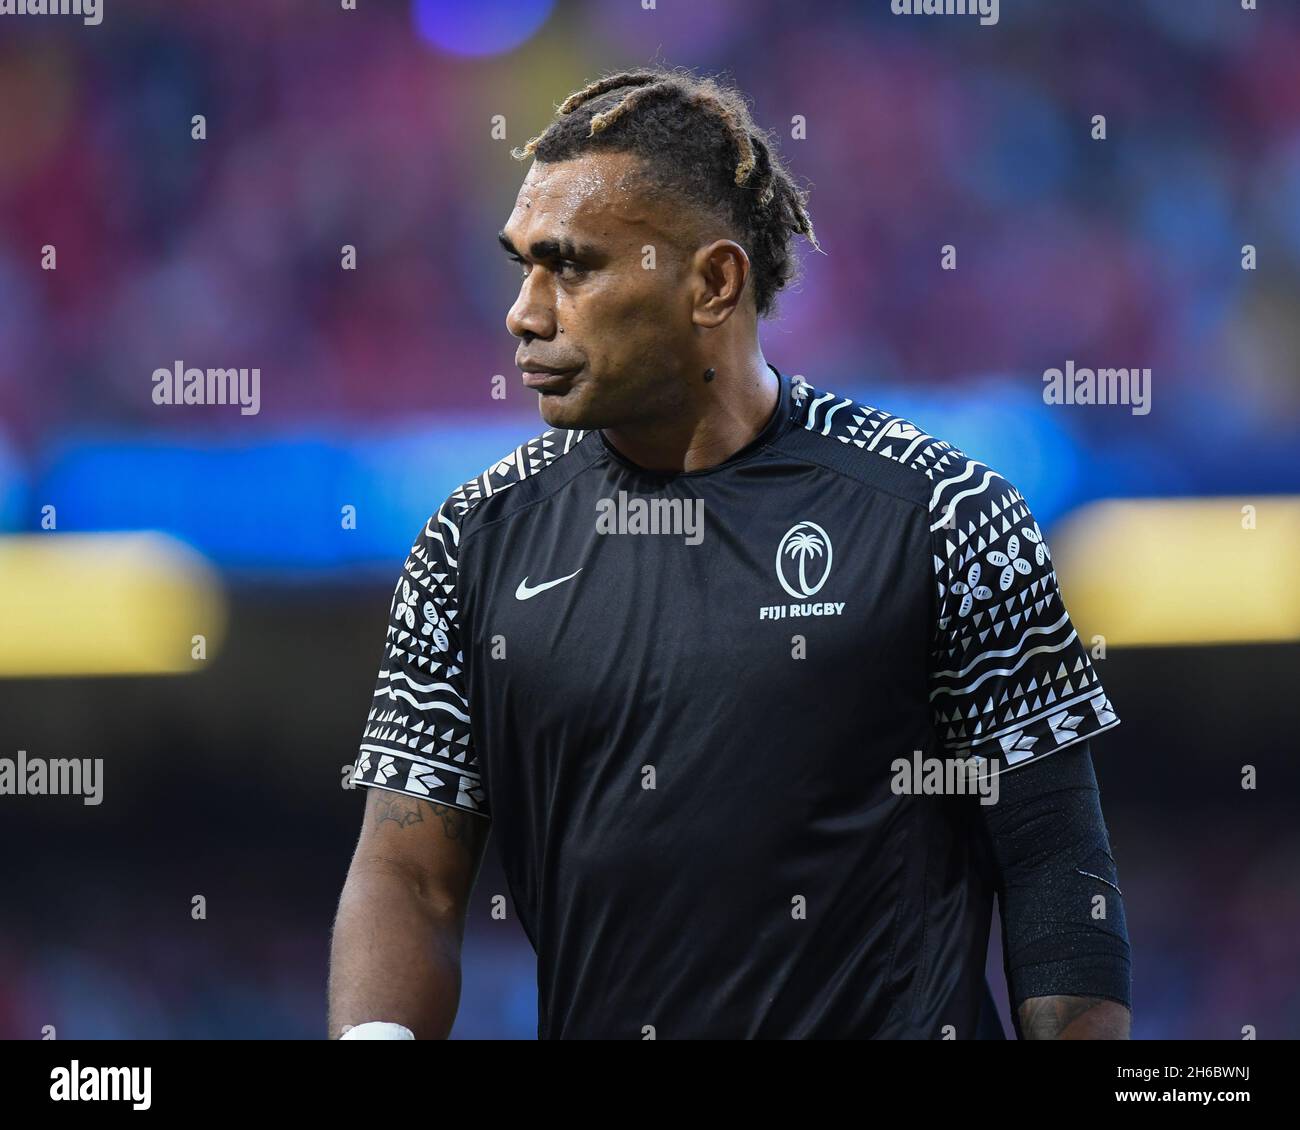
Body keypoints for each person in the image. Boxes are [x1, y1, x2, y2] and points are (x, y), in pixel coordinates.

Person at [328, 67, 1131, 1040]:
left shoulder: (946, 514)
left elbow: (1052, 861)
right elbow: (408, 870)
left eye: (571, 267)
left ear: (712, 281)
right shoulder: (471, 542)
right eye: (521, 265)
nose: (526, 312)